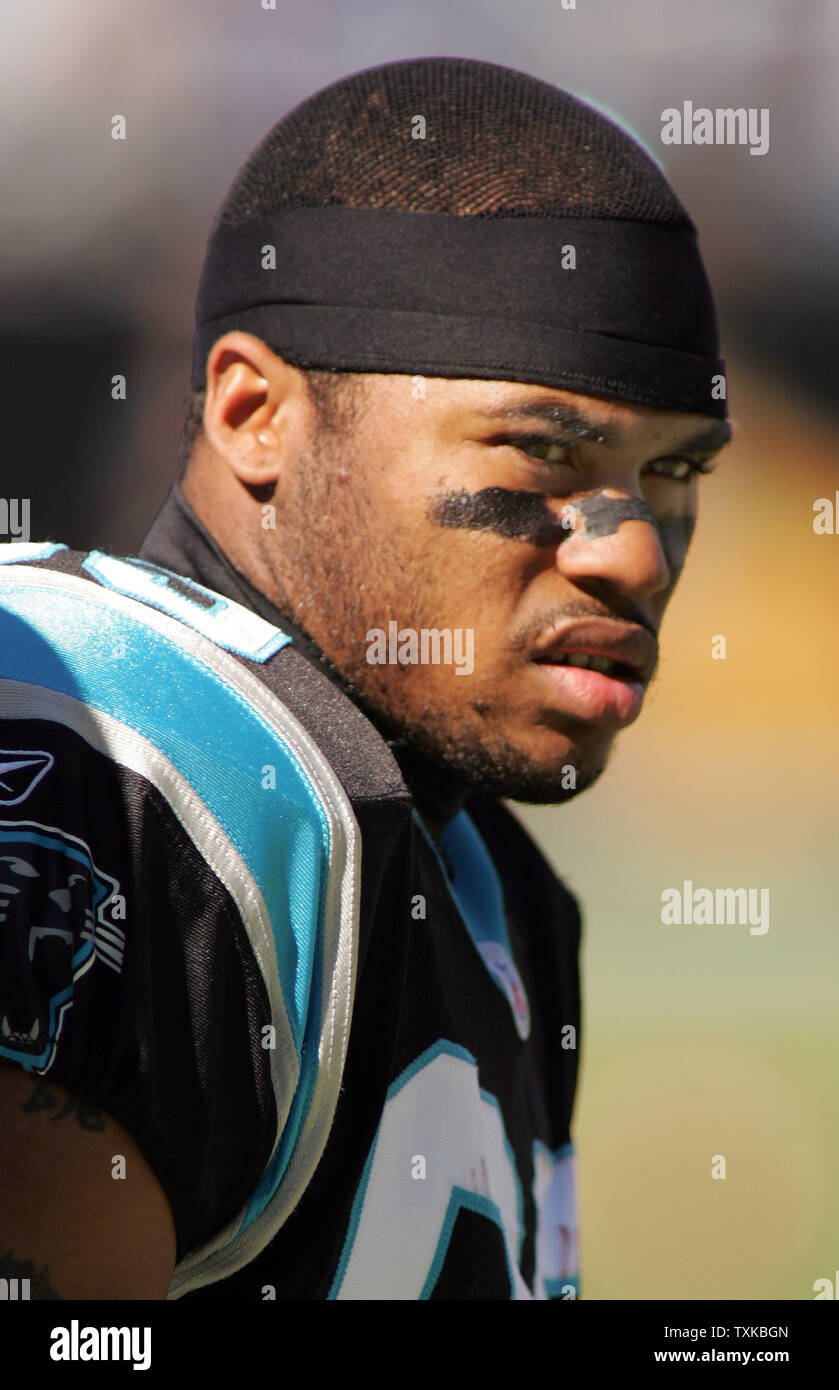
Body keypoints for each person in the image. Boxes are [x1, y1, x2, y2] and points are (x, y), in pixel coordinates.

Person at [0, 56, 730, 1300]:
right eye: (543, 450)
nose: (630, 551)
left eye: (674, 473)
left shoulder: (491, 882)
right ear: (253, 414)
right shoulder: (124, 755)